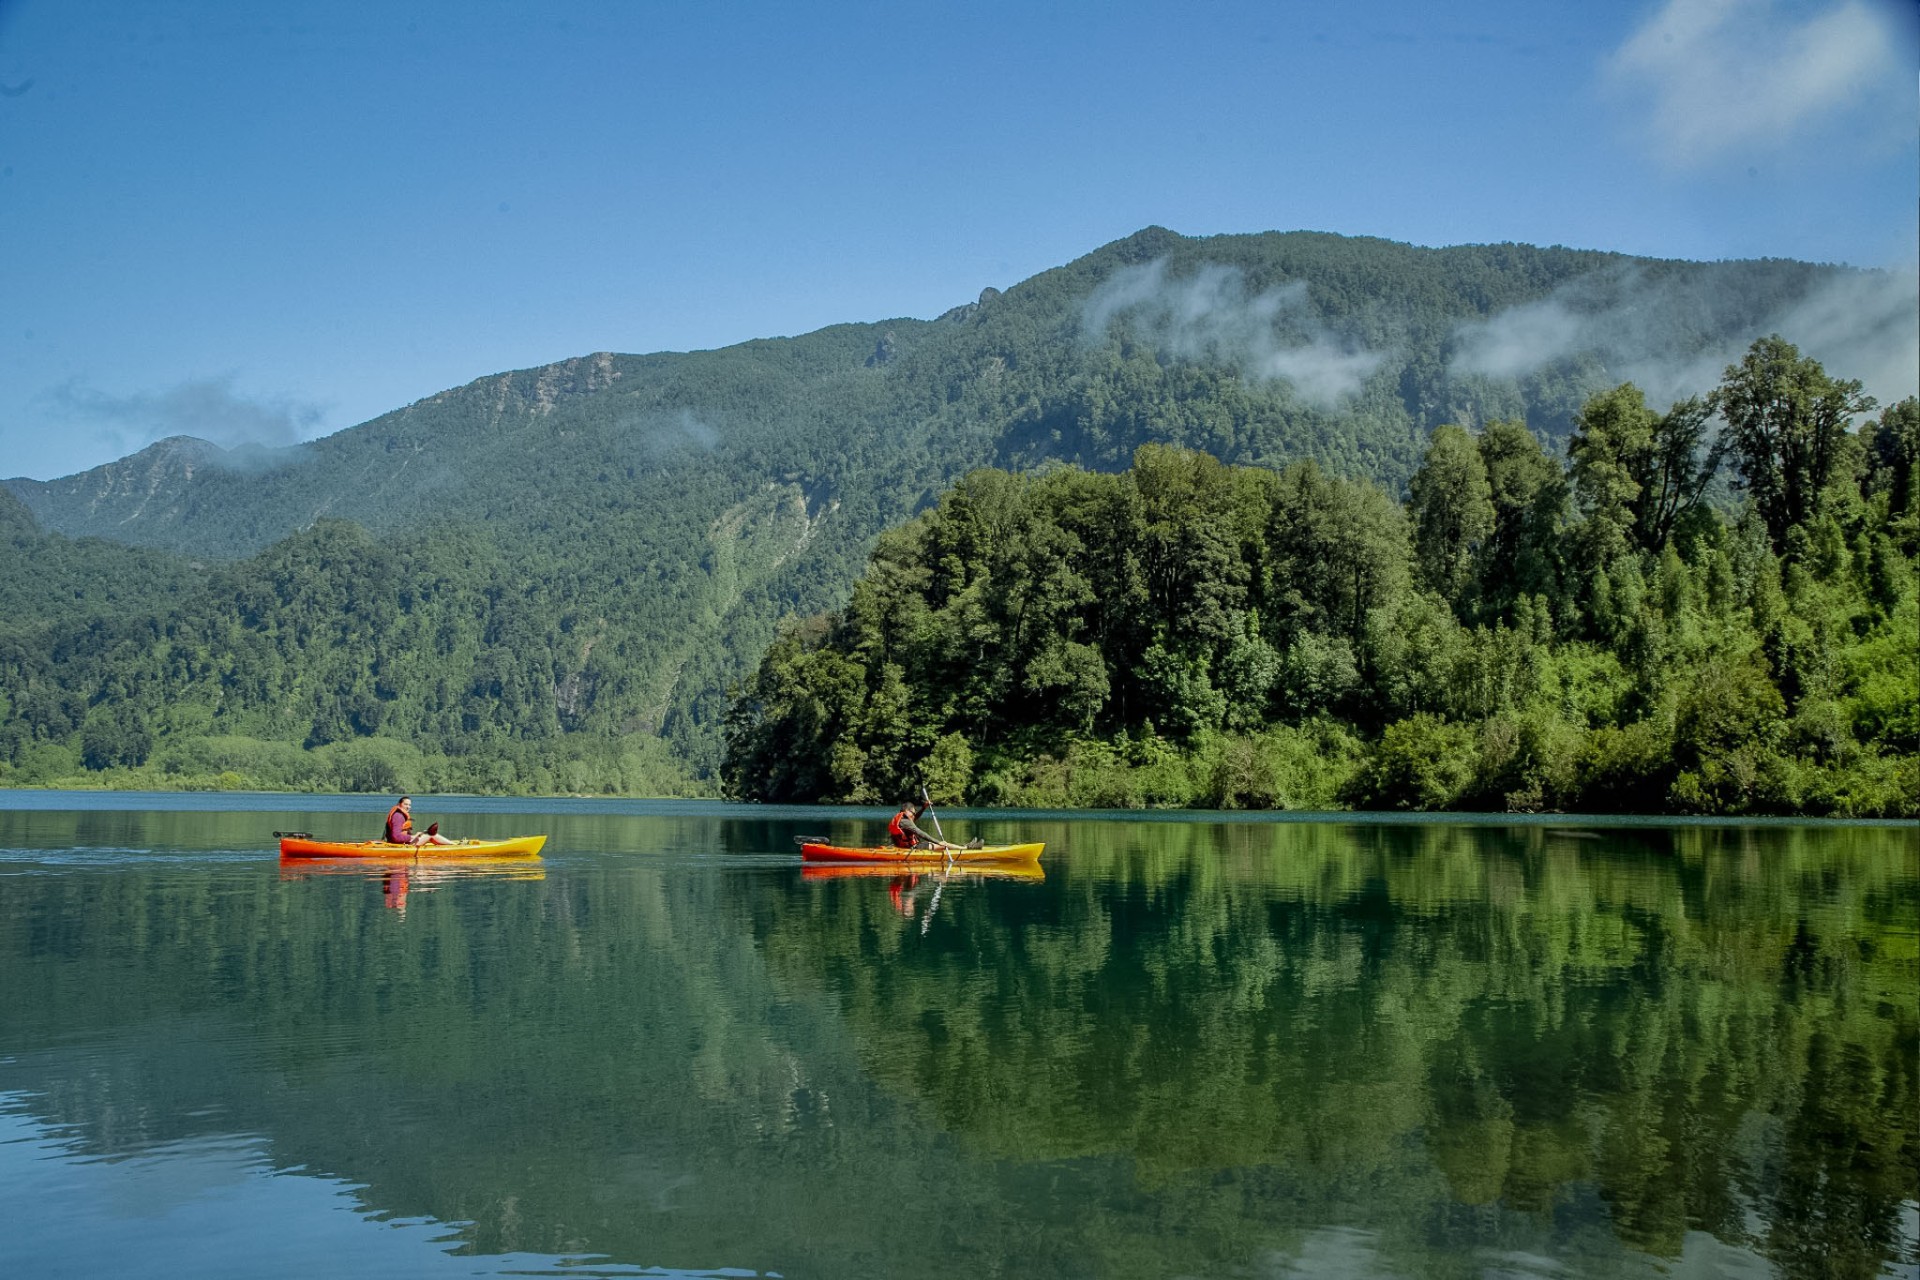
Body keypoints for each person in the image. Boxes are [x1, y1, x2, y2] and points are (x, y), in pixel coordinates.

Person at [886, 797, 959, 851]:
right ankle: (963, 848)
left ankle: (962, 847)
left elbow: (915, 817)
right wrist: (939, 842)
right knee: (943, 846)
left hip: (902, 847)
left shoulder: (901, 819)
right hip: (912, 848)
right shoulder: (905, 821)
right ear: (907, 811)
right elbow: (921, 833)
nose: (914, 815)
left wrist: (924, 807)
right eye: (913, 813)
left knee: (934, 844)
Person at [383, 795, 453, 847]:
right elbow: (396, 837)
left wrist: (416, 835)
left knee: (426, 832)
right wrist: (412, 837)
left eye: (409, 805)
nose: (408, 807)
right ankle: (453, 845)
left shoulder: (399, 815)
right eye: (405, 804)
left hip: (404, 842)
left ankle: (452, 844)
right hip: (401, 845)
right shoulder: (398, 816)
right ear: (399, 804)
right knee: (430, 835)